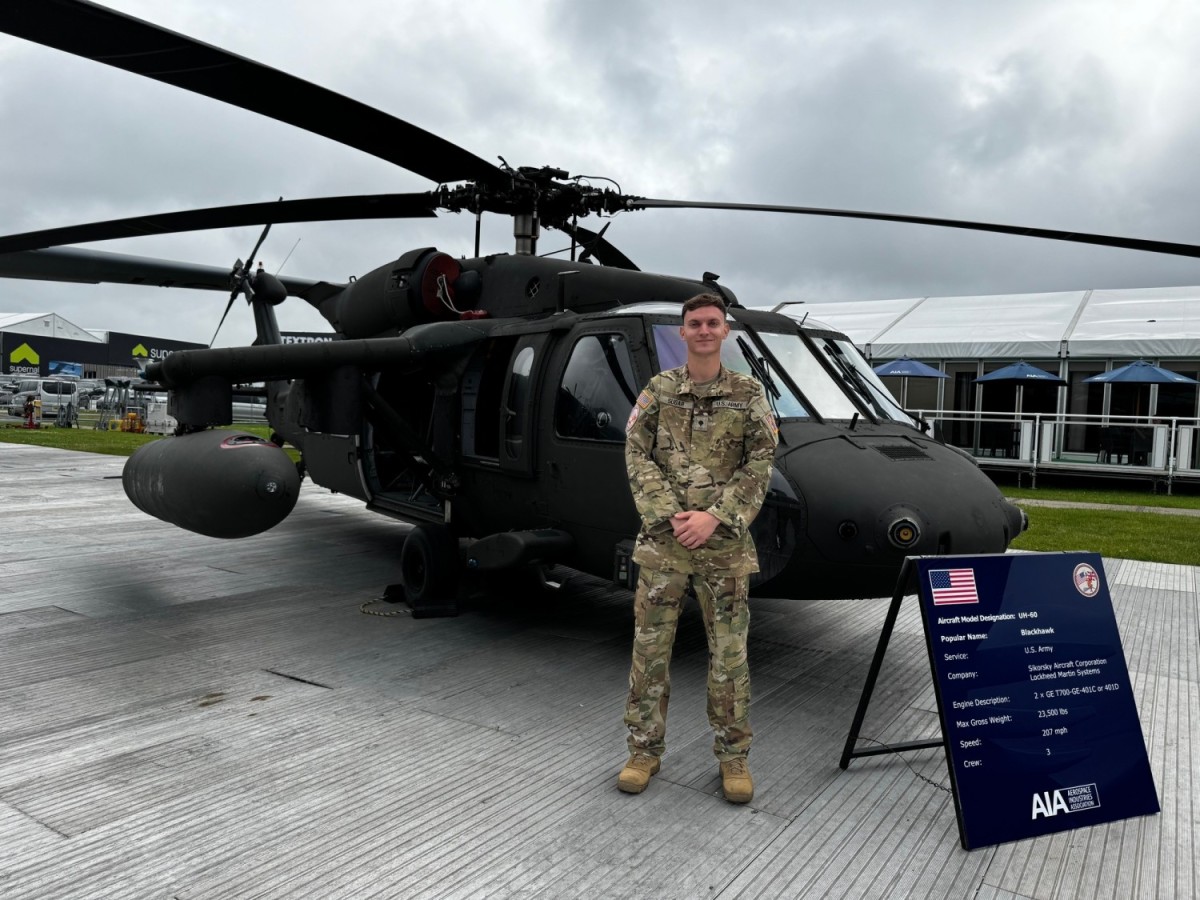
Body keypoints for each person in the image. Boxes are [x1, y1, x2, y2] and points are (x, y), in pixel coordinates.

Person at [619, 292, 778, 803]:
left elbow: (762, 463)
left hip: (723, 545)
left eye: (713, 322)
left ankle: (733, 759)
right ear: (682, 333)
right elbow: (635, 452)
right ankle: (643, 750)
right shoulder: (659, 391)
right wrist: (670, 514)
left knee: (729, 656)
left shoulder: (749, 394)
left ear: (724, 331)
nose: (704, 330)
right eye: (695, 323)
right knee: (649, 651)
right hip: (665, 544)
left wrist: (714, 518)